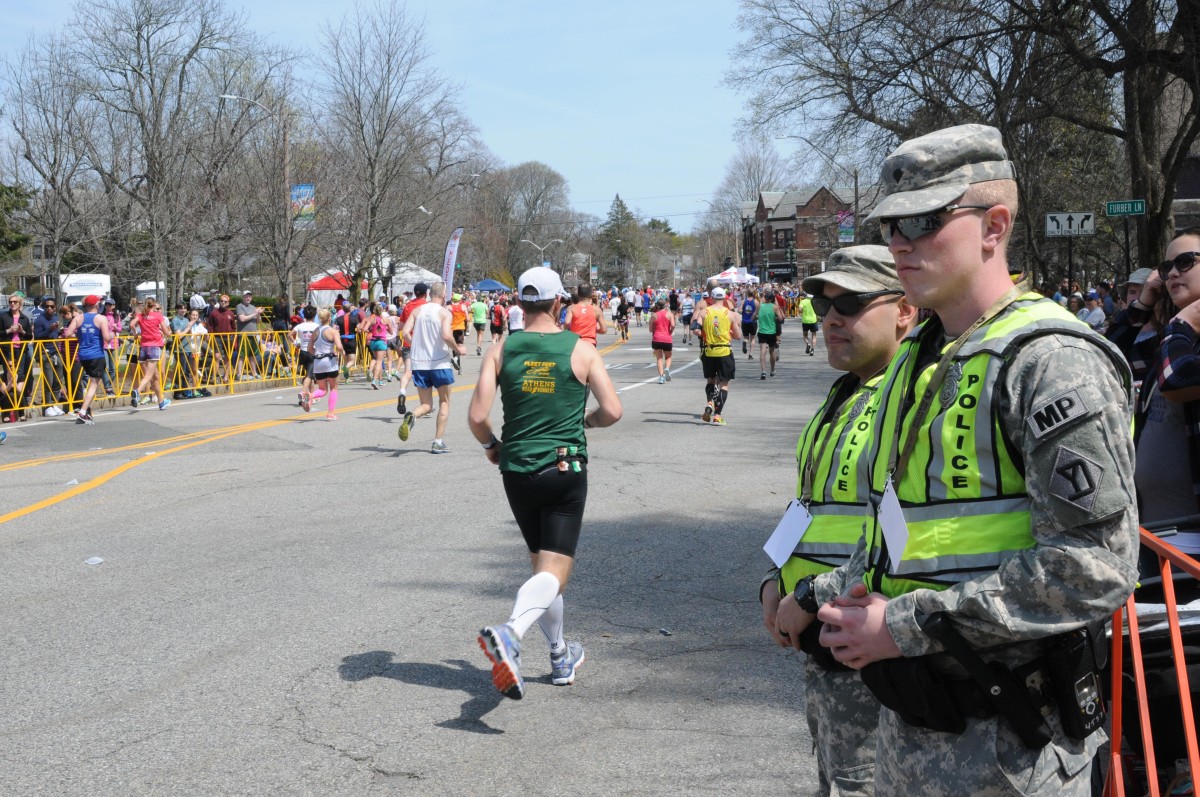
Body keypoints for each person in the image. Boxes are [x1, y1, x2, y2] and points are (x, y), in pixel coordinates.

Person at [794, 124, 1137, 797]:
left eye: (923, 220)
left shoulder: (1050, 360)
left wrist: (897, 623)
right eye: (890, 225)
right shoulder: (919, 359)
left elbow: (1096, 566)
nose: (899, 243)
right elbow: (901, 528)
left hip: (1009, 746)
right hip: (911, 727)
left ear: (993, 226)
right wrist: (833, 596)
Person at [762, 245, 915, 797]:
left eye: (849, 304)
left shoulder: (910, 396)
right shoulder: (848, 389)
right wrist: (774, 575)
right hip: (823, 635)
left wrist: (807, 595)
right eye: (824, 305)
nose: (830, 319)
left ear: (905, 311)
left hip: (865, 635)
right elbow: (811, 499)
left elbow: (900, 531)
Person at [467, 266, 623, 699]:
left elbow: (477, 418)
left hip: (516, 469)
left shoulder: (501, 348)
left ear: (518, 303)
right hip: (563, 468)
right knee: (555, 571)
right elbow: (612, 410)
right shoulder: (581, 349)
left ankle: (559, 656)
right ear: (560, 304)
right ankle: (511, 633)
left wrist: (492, 446)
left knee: (542, 567)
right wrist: (584, 420)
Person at [1123, 229, 1200, 560]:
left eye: (1185, 262)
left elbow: (1176, 381)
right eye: (1167, 265)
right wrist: (1143, 304)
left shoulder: (1177, 339)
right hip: (1157, 535)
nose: (1171, 273)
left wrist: (1182, 326)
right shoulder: (1172, 341)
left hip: (1194, 542)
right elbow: (1108, 357)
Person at [398, 281, 465, 452]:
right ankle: (437, 441)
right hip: (439, 362)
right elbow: (446, 335)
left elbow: (405, 333)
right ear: (443, 296)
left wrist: (415, 345)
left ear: (429, 295)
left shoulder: (417, 311)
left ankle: (412, 415)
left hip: (420, 363)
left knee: (426, 405)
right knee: (444, 402)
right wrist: (458, 349)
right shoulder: (444, 313)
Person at [693, 286, 741, 426]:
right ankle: (718, 415)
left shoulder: (703, 312)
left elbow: (696, 330)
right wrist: (731, 333)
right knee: (724, 384)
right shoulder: (731, 314)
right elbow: (738, 335)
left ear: (712, 297)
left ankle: (709, 402)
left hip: (708, 351)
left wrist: (706, 333)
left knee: (710, 380)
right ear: (724, 297)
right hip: (725, 351)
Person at [62, 295, 114, 424]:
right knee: (94, 384)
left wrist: (80, 335)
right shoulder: (101, 318)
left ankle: (86, 411)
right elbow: (107, 338)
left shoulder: (79, 318)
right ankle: (83, 412)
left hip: (83, 355)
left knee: (90, 383)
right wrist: (113, 334)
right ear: (97, 305)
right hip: (96, 354)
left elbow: (67, 334)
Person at [130, 298, 173, 410]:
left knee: (156, 376)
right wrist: (168, 333)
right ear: (154, 306)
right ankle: (137, 391)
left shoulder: (141, 316)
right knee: (149, 375)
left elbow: (131, 324)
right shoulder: (158, 316)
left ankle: (161, 401)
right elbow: (166, 331)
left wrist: (135, 334)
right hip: (154, 346)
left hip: (144, 346)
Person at [307, 308, 344, 421]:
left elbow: (309, 348)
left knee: (322, 389)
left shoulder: (316, 331)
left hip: (318, 362)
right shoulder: (333, 331)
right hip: (330, 362)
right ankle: (330, 413)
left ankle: (310, 395)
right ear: (329, 318)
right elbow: (339, 346)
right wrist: (341, 352)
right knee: (334, 388)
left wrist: (318, 354)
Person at [206, 294, 237, 382]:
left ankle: (226, 376)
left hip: (228, 337)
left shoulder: (230, 313)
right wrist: (210, 335)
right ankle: (214, 376)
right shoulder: (214, 313)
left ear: (228, 303)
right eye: (221, 301)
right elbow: (210, 326)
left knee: (228, 357)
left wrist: (233, 335)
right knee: (216, 356)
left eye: (225, 301)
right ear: (219, 302)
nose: (223, 303)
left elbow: (234, 326)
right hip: (217, 337)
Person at [235, 290, 263, 379]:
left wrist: (258, 314)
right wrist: (254, 313)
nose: (248, 298)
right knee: (242, 355)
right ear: (243, 297)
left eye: (249, 296)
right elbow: (242, 318)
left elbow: (258, 321)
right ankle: (239, 373)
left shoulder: (253, 307)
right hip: (243, 335)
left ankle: (254, 373)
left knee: (253, 355)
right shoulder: (239, 306)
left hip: (253, 335)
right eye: (246, 296)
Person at [756, 289, 781, 380]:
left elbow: (753, 316)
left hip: (762, 331)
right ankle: (773, 370)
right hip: (772, 332)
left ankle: (763, 371)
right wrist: (774, 318)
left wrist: (757, 317)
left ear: (765, 298)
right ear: (771, 299)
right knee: (771, 351)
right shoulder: (774, 307)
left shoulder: (760, 306)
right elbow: (781, 318)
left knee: (763, 351)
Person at [650, 298, 675, 383]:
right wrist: (671, 331)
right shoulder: (669, 314)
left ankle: (661, 377)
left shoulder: (654, 315)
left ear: (657, 305)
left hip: (656, 338)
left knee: (659, 358)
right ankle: (667, 369)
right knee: (668, 357)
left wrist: (654, 328)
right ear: (665, 305)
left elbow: (650, 329)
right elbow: (673, 325)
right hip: (667, 338)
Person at [336, 299, 360, 381]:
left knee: (345, 359)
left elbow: (334, 328)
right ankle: (345, 368)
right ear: (350, 309)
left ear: (342, 308)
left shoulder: (338, 319)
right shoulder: (354, 319)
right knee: (352, 361)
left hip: (342, 340)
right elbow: (359, 329)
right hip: (351, 340)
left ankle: (347, 378)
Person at [798, 291, 819, 355]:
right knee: (814, 336)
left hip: (805, 320)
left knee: (805, 335)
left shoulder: (803, 301)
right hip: (813, 320)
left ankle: (808, 343)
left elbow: (799, 310)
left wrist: (802, 312)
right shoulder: (815, 302)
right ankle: (812, 350)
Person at [739, 289, 758, 357]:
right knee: (752, 338)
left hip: (744, 321)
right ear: (754, 294)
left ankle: (745, 342)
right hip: (753, 322)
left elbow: (739, 310)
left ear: (747, 293)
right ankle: (751, 353)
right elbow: (758, 312)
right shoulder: (756, 302)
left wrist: (743, 312)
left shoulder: (744, 301)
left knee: (746, 338)